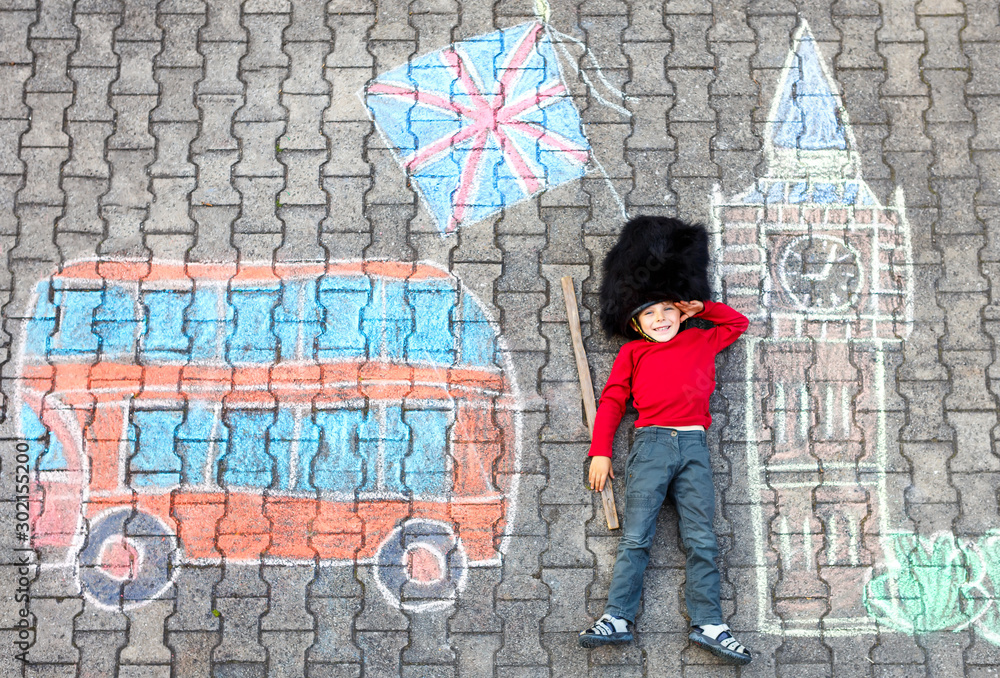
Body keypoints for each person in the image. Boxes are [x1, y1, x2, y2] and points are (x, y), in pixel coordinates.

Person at [577, 216, 752, 666]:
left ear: (681, 312)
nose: (660, 319)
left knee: (702, 540)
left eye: (667, 310)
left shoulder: (702, 340)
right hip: (650, 444)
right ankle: (617, 617)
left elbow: (739, 323)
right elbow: (612, 402)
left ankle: (709, 623)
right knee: (636, 537)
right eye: (649, 314)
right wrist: (600, 451)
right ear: (636, 324)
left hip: (694, 446)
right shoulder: (632, 352)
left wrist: (700, 306)